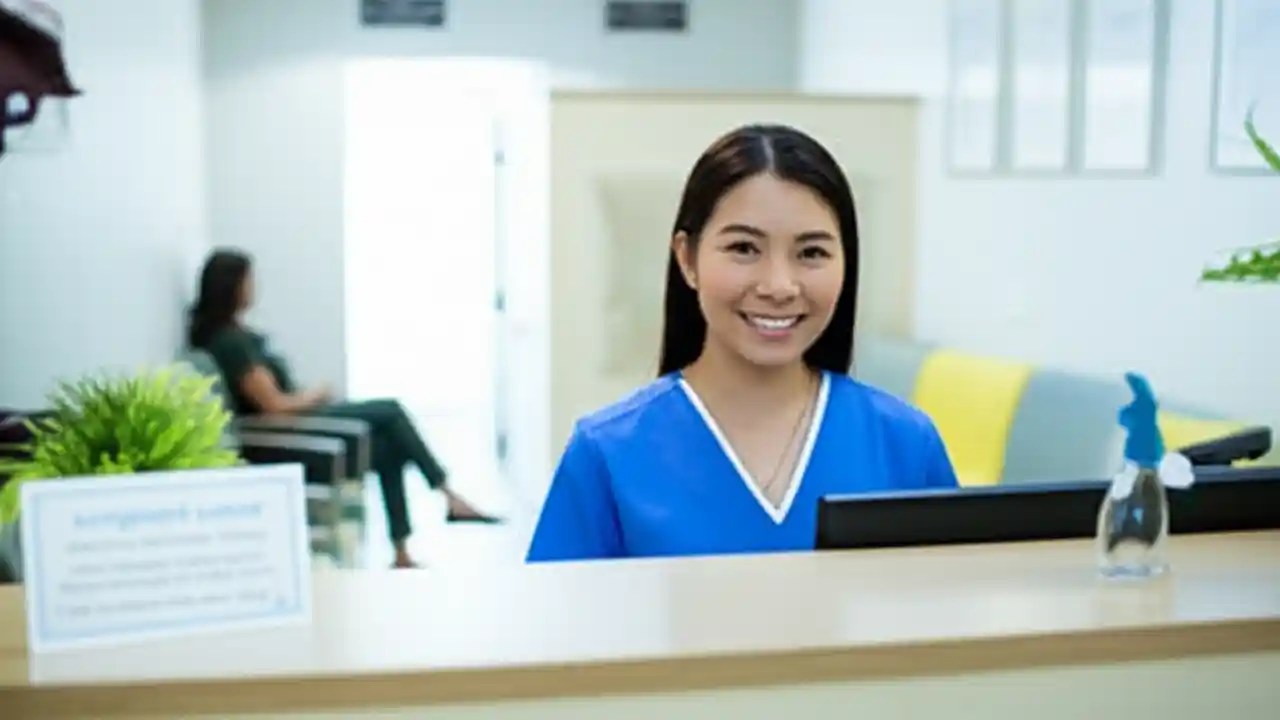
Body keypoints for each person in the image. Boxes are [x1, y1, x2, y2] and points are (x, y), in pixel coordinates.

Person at [526, 124, 958, 563]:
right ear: (687, 259)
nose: (779, 285)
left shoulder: (906, 444)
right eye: (744, 248)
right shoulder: (607, 454)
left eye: (811, 253)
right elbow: (562, 627)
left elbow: (956, 617)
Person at [188, 249, 499, 569]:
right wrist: (317, 394)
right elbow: (275, 405)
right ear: (231, 286)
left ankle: (404, 551)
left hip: (299, 427)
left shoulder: (235, 335)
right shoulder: (229, 342)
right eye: (248, 281)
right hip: (292, 434)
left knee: (389, 447)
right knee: (391, 409)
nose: (254, 288)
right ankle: (447, 495)